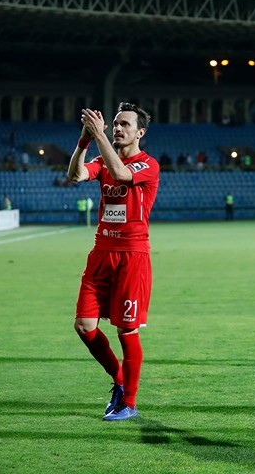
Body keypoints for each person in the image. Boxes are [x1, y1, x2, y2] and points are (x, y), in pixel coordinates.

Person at [67, 102, 160, 421]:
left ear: (140, 133)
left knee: (126, 330)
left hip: (132, 256)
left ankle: (129, 403)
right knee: (84, 326)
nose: (118, 128)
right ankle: (119, 381)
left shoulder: (148, 165)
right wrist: (84, 140)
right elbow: (76, 174)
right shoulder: (101, 161)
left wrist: (99, 135)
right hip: (101, 253)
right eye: (115, 123)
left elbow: (121, 173)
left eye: (125, 124)